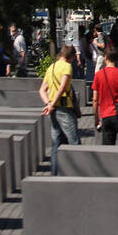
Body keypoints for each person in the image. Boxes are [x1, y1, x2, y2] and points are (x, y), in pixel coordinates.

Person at [40, 45, 79, 175]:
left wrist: (48, 103)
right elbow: (62, 87)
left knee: (56, 144)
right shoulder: (67, 67)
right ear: (71, 57)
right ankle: (77, 174)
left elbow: (41, 90)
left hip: (53, 110)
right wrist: (52, 104)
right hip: (64, 108)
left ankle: (54, 174)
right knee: (74, 142)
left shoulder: (51, 67)